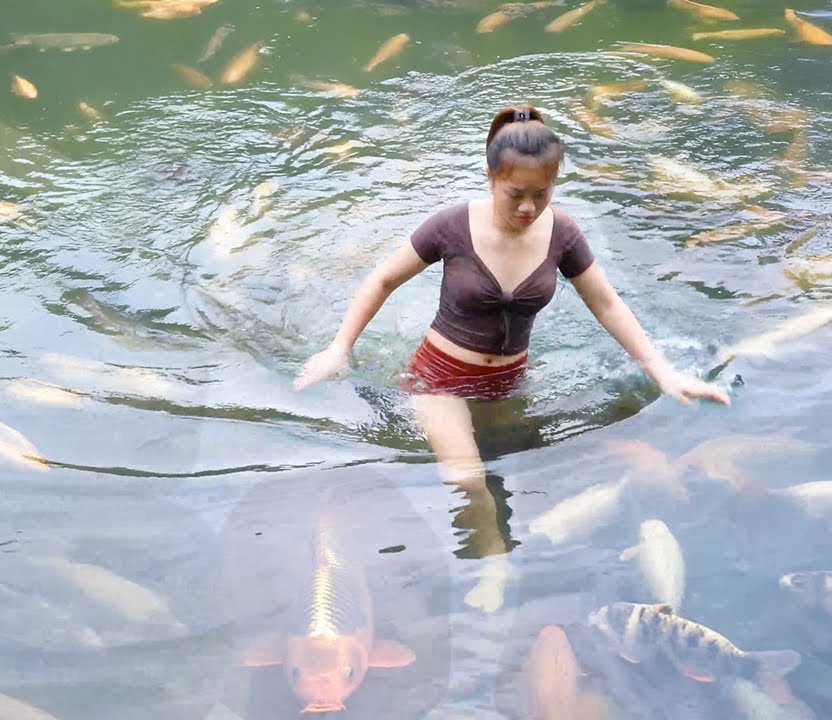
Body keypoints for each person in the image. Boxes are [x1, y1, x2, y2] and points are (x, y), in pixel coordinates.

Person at [291, 105, 730, 610]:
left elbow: (607, 304)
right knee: (467, 476)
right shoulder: (452, 227)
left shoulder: (562, 234)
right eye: (515, 194)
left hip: (510, 382)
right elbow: (383, 279)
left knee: (514, 466)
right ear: (491, 177)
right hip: (440, 380)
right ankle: (493, 563)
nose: (527, 208)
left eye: (541, 194)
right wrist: (339, 349)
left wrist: (662, 371)